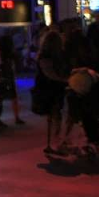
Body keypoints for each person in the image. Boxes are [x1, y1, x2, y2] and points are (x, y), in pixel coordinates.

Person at [34, 25, 69, 155]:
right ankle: (55, 142)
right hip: (50, 88)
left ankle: (53, 142)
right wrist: (64, 79)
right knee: (55, 114)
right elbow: (50, 74)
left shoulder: (45, 55)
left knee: (53, 115)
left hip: (50, 87)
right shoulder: (47, 57)